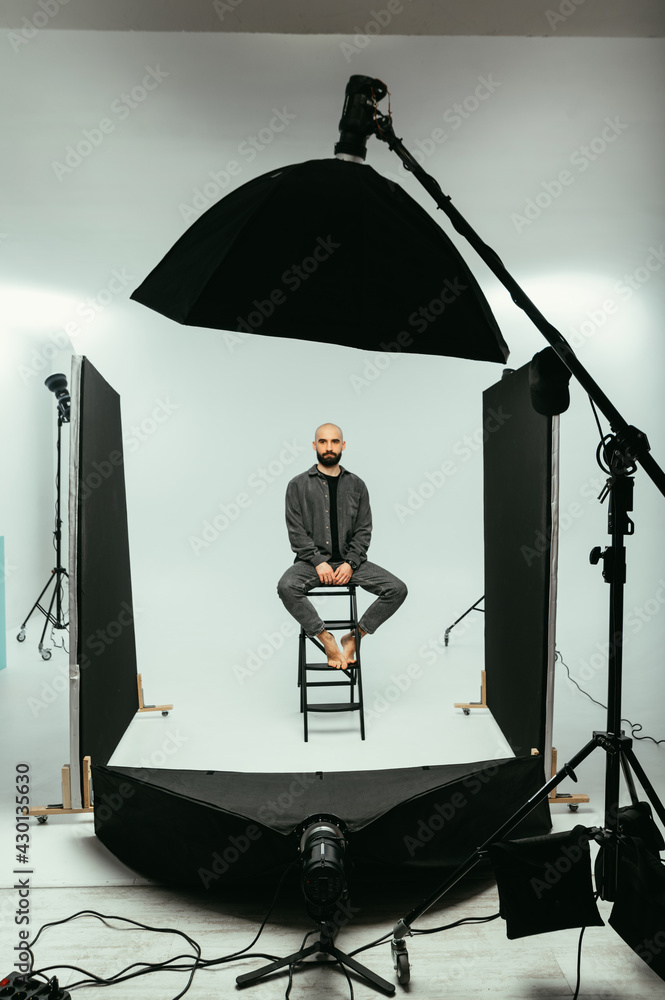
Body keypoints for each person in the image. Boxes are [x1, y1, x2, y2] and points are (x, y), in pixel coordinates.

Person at [277, 423, 407, 668]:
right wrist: (318, 562)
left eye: (334, 441)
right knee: (286, 587)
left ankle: (355, 636)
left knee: (397, 589)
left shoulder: (357, 485)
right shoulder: (297, 485)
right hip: (310, 564)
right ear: (314, 445)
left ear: (343, 445)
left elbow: (363, 530)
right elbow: (296, 532)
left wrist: (350, 563)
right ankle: (326, 639)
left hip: (351, 563)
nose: (329, 447)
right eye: (323, 441)